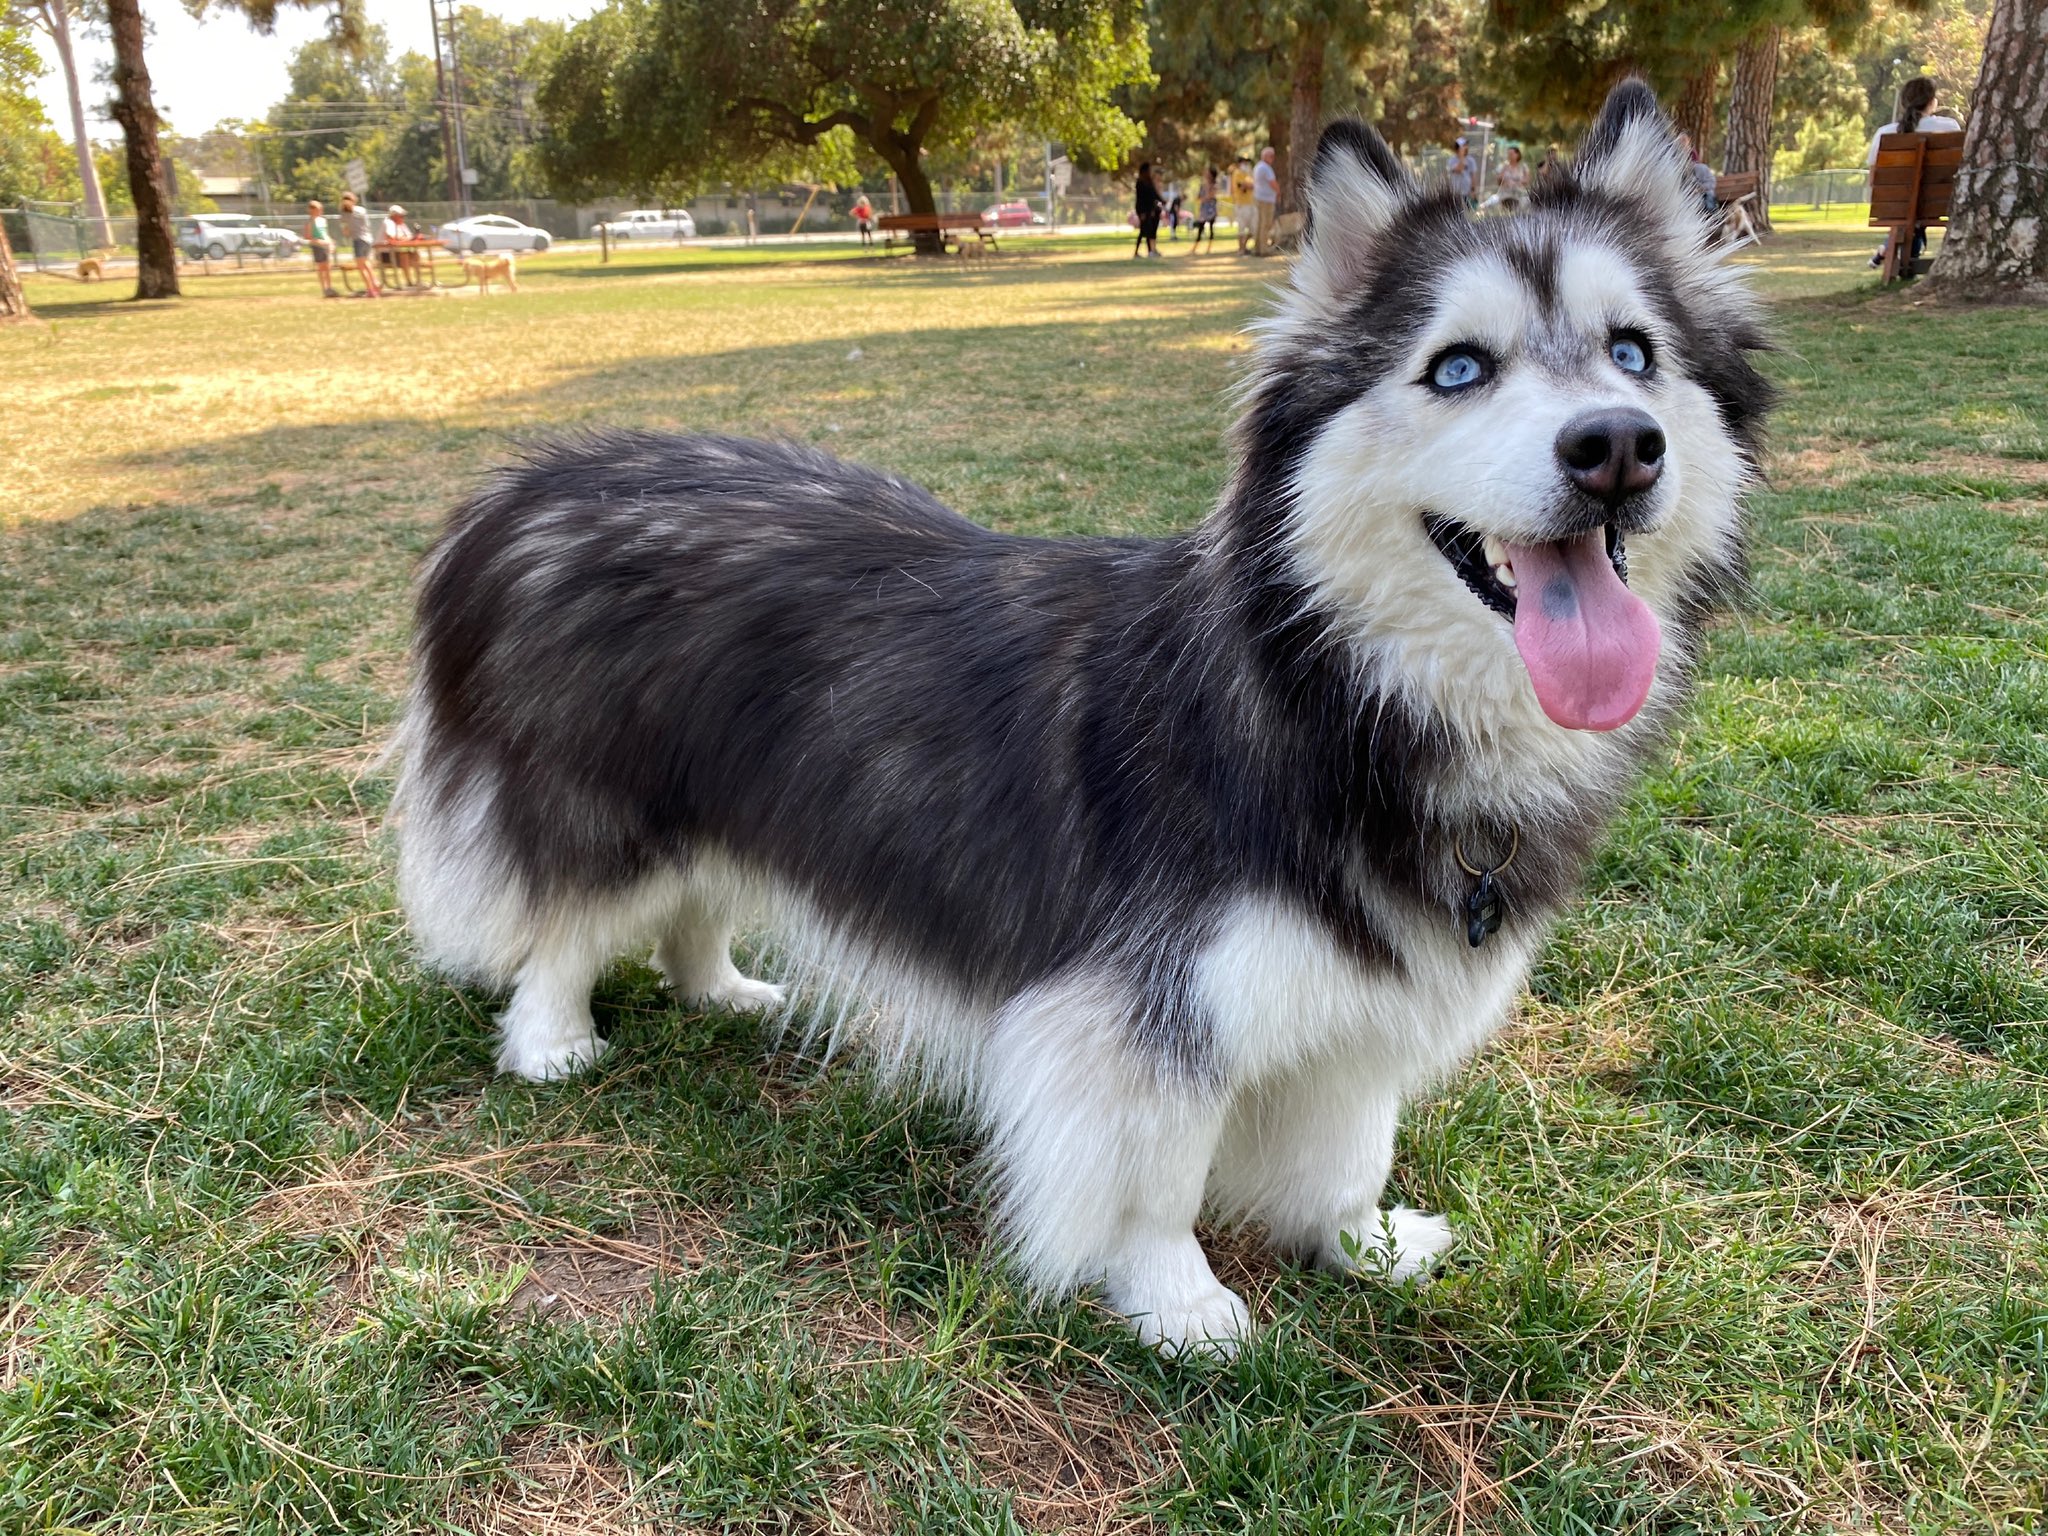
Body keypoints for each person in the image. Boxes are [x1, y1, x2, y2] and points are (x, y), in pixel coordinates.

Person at [1867, 77, 1962, 271]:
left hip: (1894, 205)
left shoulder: (1884, 133)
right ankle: (1894, 255)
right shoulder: (1949, 127)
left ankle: (1887, 251)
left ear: (1904, 102)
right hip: (1940, 204)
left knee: (1909, 215)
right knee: (1918, 213)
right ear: (1932, 101)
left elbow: (1873, 177)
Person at [338, 192, 380, 298]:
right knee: (366, 262)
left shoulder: (345, 213)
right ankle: (375, 282)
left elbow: (345, 230)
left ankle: (370, 289)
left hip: (358, 240)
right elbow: (367, 225)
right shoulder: (361, 210)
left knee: (361, 266)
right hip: (368, 239)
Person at [303, 199, 337, 298]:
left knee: (328, 267)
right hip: (317, 246)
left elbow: (325, 234)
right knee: (321, 267)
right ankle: (324, 288)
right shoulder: (310, 222)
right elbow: (308, 236)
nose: (320, 211)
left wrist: (331, 243)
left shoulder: (322, 220)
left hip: (325, 245)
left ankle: (330, 287)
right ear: (311, 210)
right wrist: (318, 242)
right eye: (317, 209)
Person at [381, 203, 421, 287]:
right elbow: (391, 238)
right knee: (404, 255)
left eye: (403, 216)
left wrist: (415, 237)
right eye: (400, 216)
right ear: (393, 216)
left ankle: (418, 281)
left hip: (397, 252)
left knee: (415, 255)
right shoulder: (388, 223)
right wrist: (406, 239)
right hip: (385, 254)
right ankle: (409, 281)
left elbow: (409, 237)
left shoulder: (402, 225)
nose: (403, 217)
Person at [1251, 146, 1279, 255]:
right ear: (1265, 156)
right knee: (1265, 224)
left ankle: (1257, 248)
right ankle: (1264, 249)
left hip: (1259, 197)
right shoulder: (1266, 168)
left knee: (1260, 224)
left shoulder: (1258, 166)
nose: (1273, 158)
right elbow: (1272, 183)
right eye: (1271, 156)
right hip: (1266, 200)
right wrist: (1278, 191)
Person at [1133, 161, 1163, 259]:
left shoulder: (1149, 182)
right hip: (1143, 210)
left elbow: (1154, 194)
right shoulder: (1140, 182)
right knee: (1143, 230)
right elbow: (1141, 198)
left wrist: (1162, 201)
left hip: (1150, 209)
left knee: (1149, 230)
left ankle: (1151, 251)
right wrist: (1141, 212)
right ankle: (1137, 252)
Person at [1231, 157, 1257, 254]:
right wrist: (1249, 185)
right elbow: (1243, 187)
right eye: (1244, 162)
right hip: (1241, 204)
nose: (1246, 164)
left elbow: (1253, 185)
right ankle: (1240, 248)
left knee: (1252, 227)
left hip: (1250, 203)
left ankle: (1244, 247)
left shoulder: (1248, 174)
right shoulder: (1237, 173)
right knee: (1241, 227)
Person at [1190, 166, 1219, 253]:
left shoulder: (1214, 185)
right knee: (1200, 227)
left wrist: (1206, 196)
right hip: (1204, 209)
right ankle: (1195, 248)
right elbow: (1200, 198)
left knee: (1211, 228)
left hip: (1211, 209)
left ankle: (1209, 248)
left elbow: (1211, 196)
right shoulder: (1202, 185)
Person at [1494, 145, 1530, 214]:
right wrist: (1504, 170)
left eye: (1511, 154)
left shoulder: (1523, 167)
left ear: (1517, 154)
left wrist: (1518, 182)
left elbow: (1527, 180)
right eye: (1508, 154)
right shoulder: (1502, 166)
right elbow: (1498, 181)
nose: (1509, 156)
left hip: (1519, 194)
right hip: (1505, 194)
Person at [1447, 136, 1478, 211]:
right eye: (1464, 146)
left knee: (1470, 212)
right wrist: (1461, 156)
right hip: (1456, 193)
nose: (1466, 147)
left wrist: (1473, 190)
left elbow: (1473, 176)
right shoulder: (1452, 161)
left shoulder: (1471, 160)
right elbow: (1459, 169)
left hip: (1467, 193)